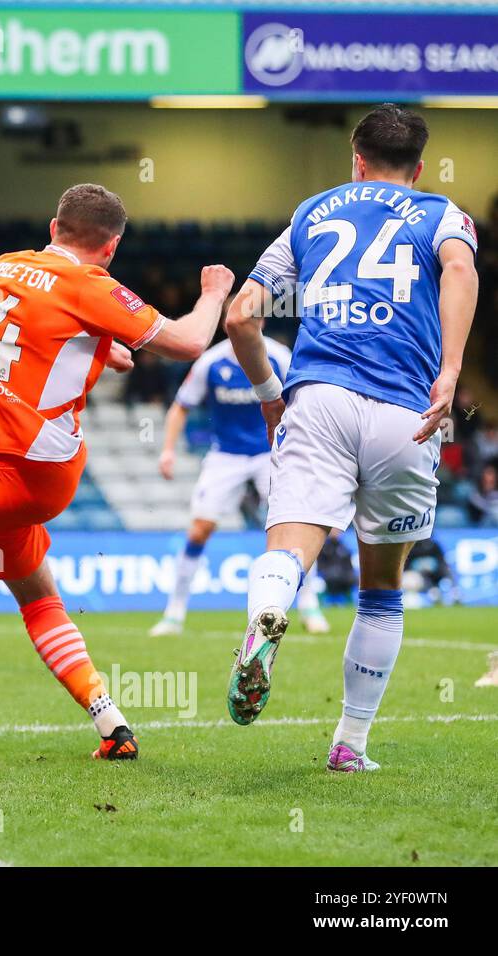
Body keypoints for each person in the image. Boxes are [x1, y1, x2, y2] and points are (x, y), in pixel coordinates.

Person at [0, 182, 235, 760]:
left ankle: (106, 714)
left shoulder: (2, 266)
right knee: (44, 585)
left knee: (38, 604)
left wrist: (99, 344)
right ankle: (112, 725)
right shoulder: (91, 285)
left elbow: (21, 336)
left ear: (53, 228)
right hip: (45, 476)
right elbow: (192, 341)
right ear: (112, 247)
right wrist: (214, 293)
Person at [224, 104, 479, 772]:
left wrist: (270, 398)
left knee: (290, 547)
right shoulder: (442, 215)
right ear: (420, 168)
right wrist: (450, 372)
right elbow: (459, 271)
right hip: (408, 412)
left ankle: (269, 613)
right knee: (382, 589)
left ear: (356, 158)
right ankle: (349, 745)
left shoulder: (312, 213)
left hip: (322, 398)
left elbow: (241, 317)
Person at [150, 330, 329, 636]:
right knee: (199, 529)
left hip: (270, 452)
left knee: (290, 527)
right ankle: (174, 613)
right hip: (226, 456)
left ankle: (310, 605)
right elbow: (181, 405)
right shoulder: (211, 362)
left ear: (260, 321)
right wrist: (167, 450)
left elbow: (303, 399)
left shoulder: (279, 356)